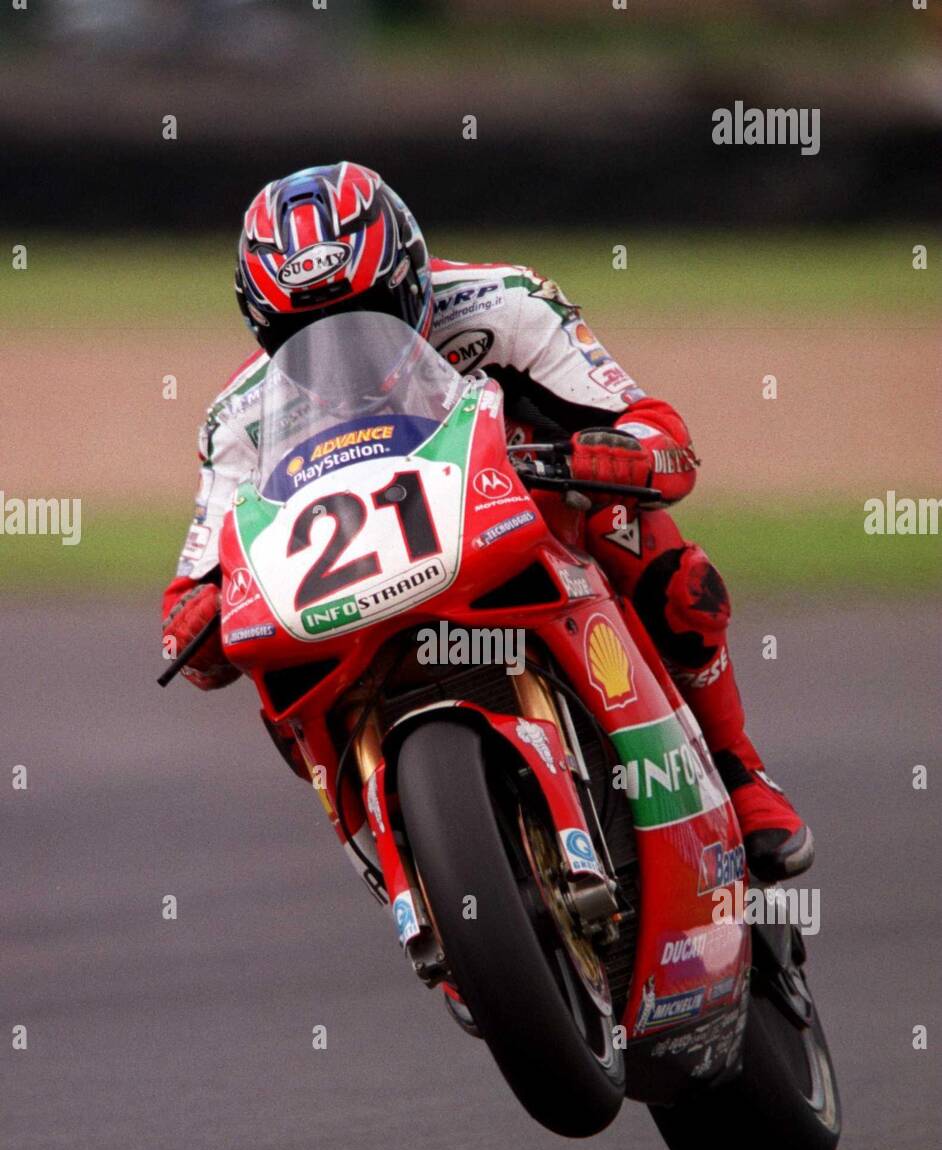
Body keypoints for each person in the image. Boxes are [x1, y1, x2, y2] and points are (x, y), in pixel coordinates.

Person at [162, 161, 813, 883]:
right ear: (262, 330)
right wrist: (198, 618)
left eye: (368, 312)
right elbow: (194, 587)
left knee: (661, 561)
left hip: (517, 525)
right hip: (356, 584)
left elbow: (657, 429)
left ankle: (739, 771)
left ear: (411, 278)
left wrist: (626, 456)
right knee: (276, 681)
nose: (342, 350)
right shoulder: (239, 416)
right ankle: (395, 865)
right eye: (304, 332)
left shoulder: (504, 303)